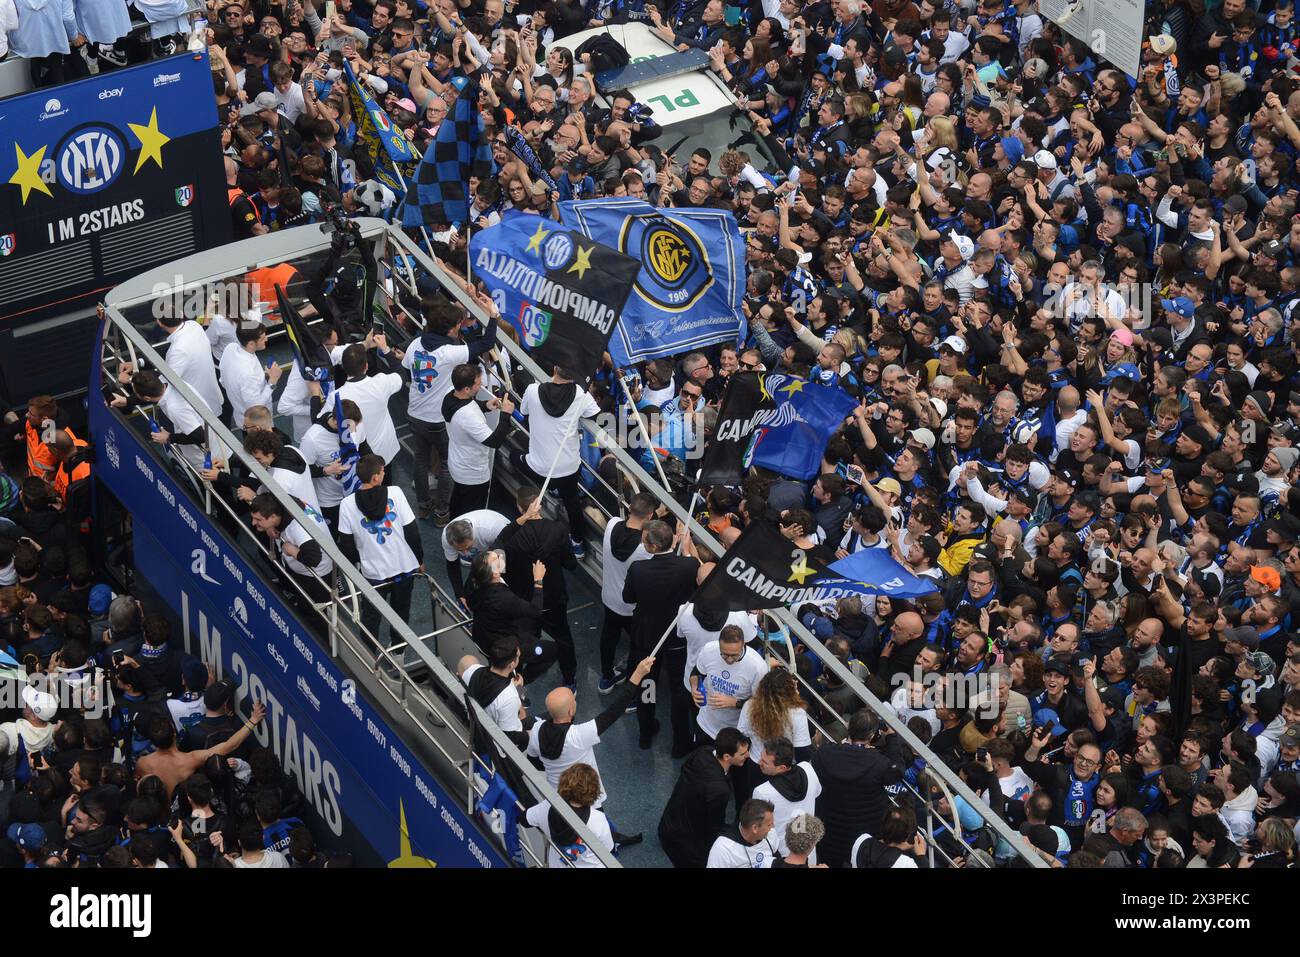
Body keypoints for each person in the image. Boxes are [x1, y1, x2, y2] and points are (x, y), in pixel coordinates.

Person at [402, 295, 500, 524]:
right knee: (446, 464)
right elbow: (486, 343)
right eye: (457, 325)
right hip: (438, 419)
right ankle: (442, 511)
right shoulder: (448, 352)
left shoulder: (416, 343)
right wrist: (493, 316)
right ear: (449, 329)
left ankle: (423, 505)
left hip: (414, 413)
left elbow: (406, 368)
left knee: (420, 460)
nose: (459, 328)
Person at [526, 656, 654, 812]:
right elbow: (613, 712)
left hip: (558, 798)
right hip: (588, 801)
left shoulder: (537, 730)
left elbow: (533, 761)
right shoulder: (578, 736)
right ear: (571, 710)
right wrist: (638, 675)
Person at [336, 455, 423, 671]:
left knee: (370, 617)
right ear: (376, 477)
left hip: (373, 572)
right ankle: (399, 654)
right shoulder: (395, 493)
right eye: (382, 471)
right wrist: (418, 560)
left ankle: (367, 657)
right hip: (404, 567)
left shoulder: (347, 504)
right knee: (401, 612)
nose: (385, 474)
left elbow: (345, 544)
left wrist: (360, 562)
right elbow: (412, 531)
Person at [622, 519, 701, 754]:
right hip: (677, 639)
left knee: (647, 684)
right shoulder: (688, 567)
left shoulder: (638, 569)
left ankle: (645, 732)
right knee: (678, 690)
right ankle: (680, 741)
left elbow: (628, 598)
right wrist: (687, 550)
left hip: (648, 639)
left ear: (653, 547)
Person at [493, 487, 579, 689]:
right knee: (563, 638)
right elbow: (571, 564)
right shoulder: (558, 530)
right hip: (552, 599)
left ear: (519, 507)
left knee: (522, 644)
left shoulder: (512, 538)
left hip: (522, 603)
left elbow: (499, 569)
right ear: (539, 506)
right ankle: (569, 680)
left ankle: (519, 680)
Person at [516, 364, 601, 557]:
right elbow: (594, 413)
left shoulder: (532, 390)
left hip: (538, 467)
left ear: (554, 369)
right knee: (572, 503)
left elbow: (525, 412)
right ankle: (577, 544)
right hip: (568, 468)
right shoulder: (581, 394)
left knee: (514, 455)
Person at [812, 709, 903, 868]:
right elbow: (897, 770)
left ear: (848, 727)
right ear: (872, 736)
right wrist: (892, 737)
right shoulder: (879, 764)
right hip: (861, 843)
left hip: (828, 836)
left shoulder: (824, 753)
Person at [657, 727, 750, 868]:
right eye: (743, 753)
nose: (748, 755)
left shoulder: (703, 752)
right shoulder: (720, 790)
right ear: (727, 757)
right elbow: (714, 827)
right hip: (685, 843)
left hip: (669, 824)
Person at [596, 492, 653, 694]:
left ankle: (606, 677)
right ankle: (633, 687)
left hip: (609, 597)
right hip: (630, 606)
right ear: (650, 516)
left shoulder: (612, 524)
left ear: (630, 509)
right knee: (639, 646)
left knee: (608, 638)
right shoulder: (643, 550)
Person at [443, 363, 514, 515]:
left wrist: (486, 405)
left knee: (458, 501)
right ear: (467, 389)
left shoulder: (451, 394)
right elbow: (494, 441)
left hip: (458, 464)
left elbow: (467, 404)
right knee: (472, 514)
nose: (481, 383)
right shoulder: (468, 416)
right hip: (473, 473)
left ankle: (452, 531)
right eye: (478, 382)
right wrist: (506, 415)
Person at [523, 763, 616, 868]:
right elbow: (608, 849)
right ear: (594, 791)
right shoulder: (598, 820)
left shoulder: (548, 806)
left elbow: (524, 820)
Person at [751, 736, 823, 863]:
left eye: (765, 762)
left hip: (781, 856)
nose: (759, 762)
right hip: (808, 851)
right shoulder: (808, 769)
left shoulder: (761, 792)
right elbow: (817, 793)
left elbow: (758, 829)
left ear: (782, 768)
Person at [442, 509, 510, 611]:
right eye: (460, 550)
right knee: (469, 591)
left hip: (505, 544)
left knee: (496, 585)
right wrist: (460, 594)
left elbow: (502, 554)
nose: (465, 553)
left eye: (468, 548)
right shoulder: (446, 538)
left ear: (473, 537)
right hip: (484, 550)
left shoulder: (489, 530)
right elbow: (452, 565)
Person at [705, 798, 778, 868]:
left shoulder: (770, 834)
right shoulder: (723, 848)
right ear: (755, 828)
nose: (773, 827)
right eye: (769, 825)